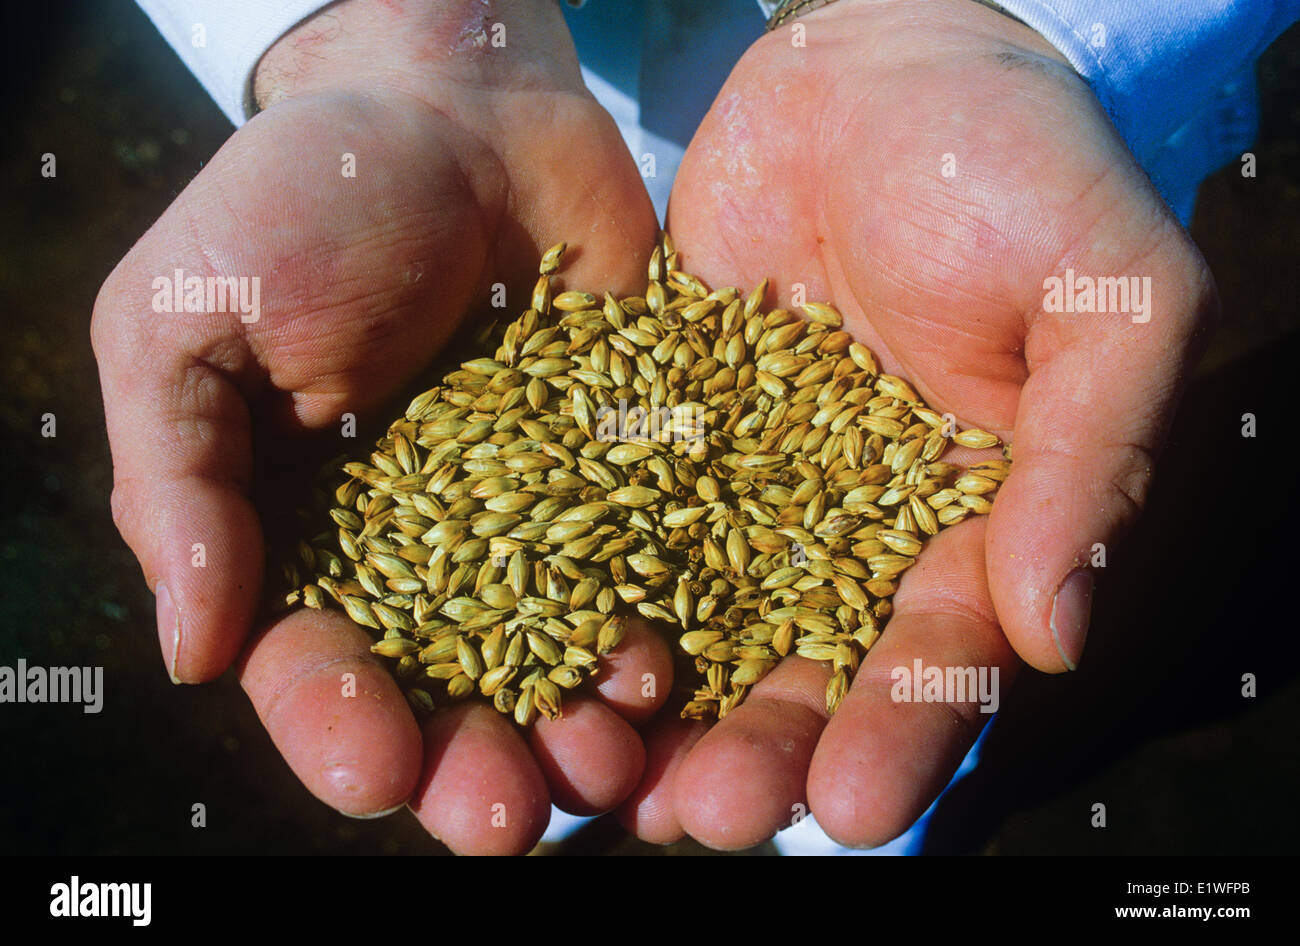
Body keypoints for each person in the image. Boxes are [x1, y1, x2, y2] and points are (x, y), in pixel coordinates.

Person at [94, 0, 1297, 855]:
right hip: (514, 129)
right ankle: (576, 787)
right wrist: (371, 28)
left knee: (883, 724)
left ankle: (860, 836)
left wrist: (984, 19)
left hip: (947, 186)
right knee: (538, 732)